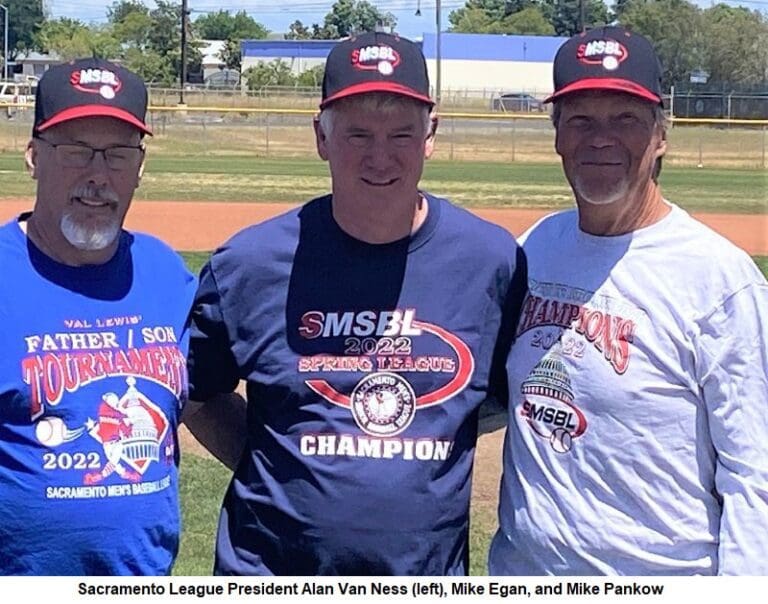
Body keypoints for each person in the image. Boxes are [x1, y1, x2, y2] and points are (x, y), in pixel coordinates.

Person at [184, 31, 527, 575]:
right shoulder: (249, 263)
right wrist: (283, 464)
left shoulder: (490, 261)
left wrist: (412, 456)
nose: (380, 156)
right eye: (358, 134)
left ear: (430, 135)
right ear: (321, 136)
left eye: (401, 134)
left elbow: (501, 398)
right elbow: (197, 394)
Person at [489, 26, 768, 575]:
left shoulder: (718, 280)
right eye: (582, 120)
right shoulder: (535, 248)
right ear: (557, 136)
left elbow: (755, 473)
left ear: (661, 135)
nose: (601, 139)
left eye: (624, 120)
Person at [0, 58, 197, 575]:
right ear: (33, 156)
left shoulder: (165, 272)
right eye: (76, 152)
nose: (97, 175)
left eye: (117, 154)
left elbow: (201, 398)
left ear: (140, 165)